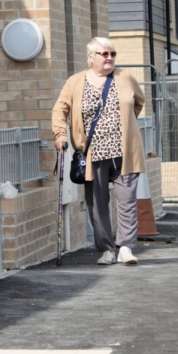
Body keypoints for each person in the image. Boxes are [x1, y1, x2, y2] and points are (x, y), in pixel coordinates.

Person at [52, 37, 146, 266]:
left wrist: (125, 124)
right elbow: (60, 109)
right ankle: (106, 249)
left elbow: (138, 102)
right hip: (92, 153)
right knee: (97, 204)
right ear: (91, 57)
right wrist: (60, 135)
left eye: (112, 54)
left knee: (127, 201)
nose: (110, 58)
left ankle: (125, 248)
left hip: (125, 151)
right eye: (105, 54)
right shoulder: (76, 82)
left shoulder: (125, 77)